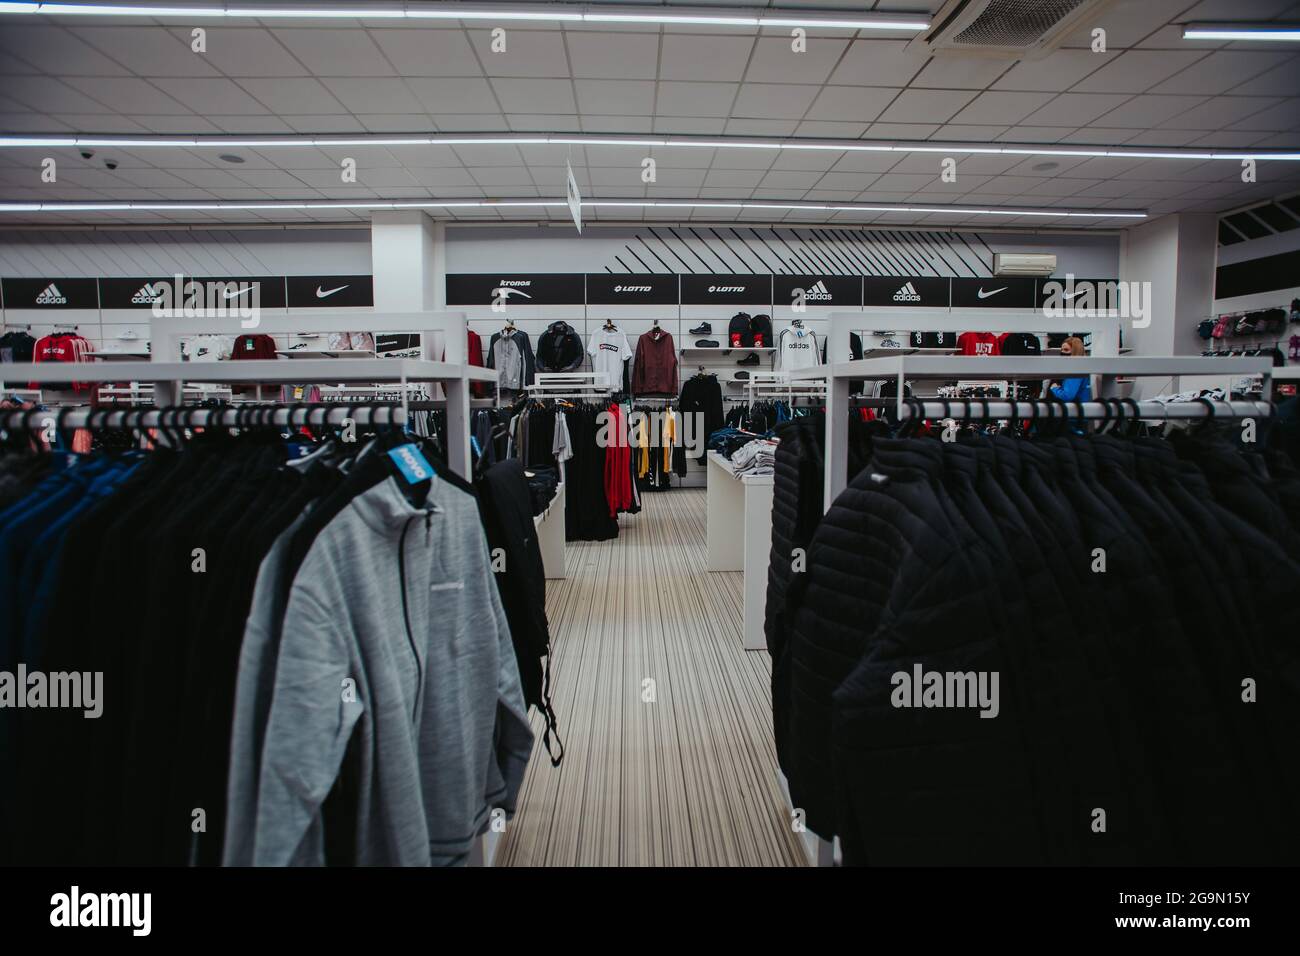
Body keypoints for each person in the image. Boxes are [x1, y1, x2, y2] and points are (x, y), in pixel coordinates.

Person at [1049, 336, 1092, 402]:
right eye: (1062, 350)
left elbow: (1067, 396)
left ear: (1075, 351)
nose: (1062, 352)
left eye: (1066, 350)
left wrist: (1055, 388)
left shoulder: (1076, 369)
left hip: (1077, 410)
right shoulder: (1083, 366)